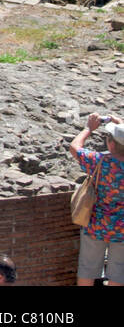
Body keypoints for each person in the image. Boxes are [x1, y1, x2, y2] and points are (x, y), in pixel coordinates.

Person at [69, 112, 124, 285]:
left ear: (110, 144)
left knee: (88, 267)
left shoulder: (99, 161)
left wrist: (88, 129)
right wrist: (121, 124)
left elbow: (75, 147)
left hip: (96, 223)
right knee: (118, 272)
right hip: (122, 229)